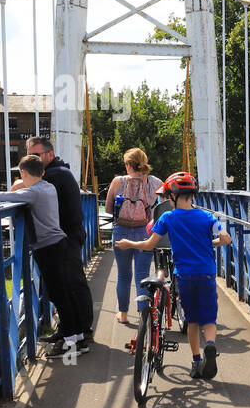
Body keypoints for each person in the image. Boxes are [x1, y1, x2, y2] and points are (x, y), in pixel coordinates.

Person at [117, 172, 232, 380]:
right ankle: (211, 345)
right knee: (208, 318)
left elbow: (149, 244)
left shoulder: (168, 217)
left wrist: (129, 243)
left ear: (173, 196)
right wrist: (211, 243)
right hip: (206, 273)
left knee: (192, 320)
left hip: (185, 275)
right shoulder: (207, 217)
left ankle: (197, 361)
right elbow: (225, 238)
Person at [0, 156, 81, 359]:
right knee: (64, 294)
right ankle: (70, 335)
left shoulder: (34, 192)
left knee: (59, 296)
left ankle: (71, 344)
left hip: (49, 249)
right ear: (43, 171)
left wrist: (6, 189)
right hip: (59, 245)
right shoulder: (48, 187)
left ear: (23, 173)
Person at [23, 137, 96, 353]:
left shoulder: (53, 176)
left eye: (35, 155)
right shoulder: (60, 173)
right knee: (70, 286)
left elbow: (24, 188)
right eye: (29, 155)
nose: (31, 159)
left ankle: (78, 335)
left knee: (69, 287)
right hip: (66, 237)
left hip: (64, 239)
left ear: (49, 155)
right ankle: (71, 332)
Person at [105, 148, 165, 325]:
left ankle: (123, 315)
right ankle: (143, 316)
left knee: (123, 275)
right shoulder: (155, 182)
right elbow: (164, 206)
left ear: (128, 165)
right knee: (142, 275)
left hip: (121, 231)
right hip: (145, 233)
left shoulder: (118, 181)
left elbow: (108, 208)